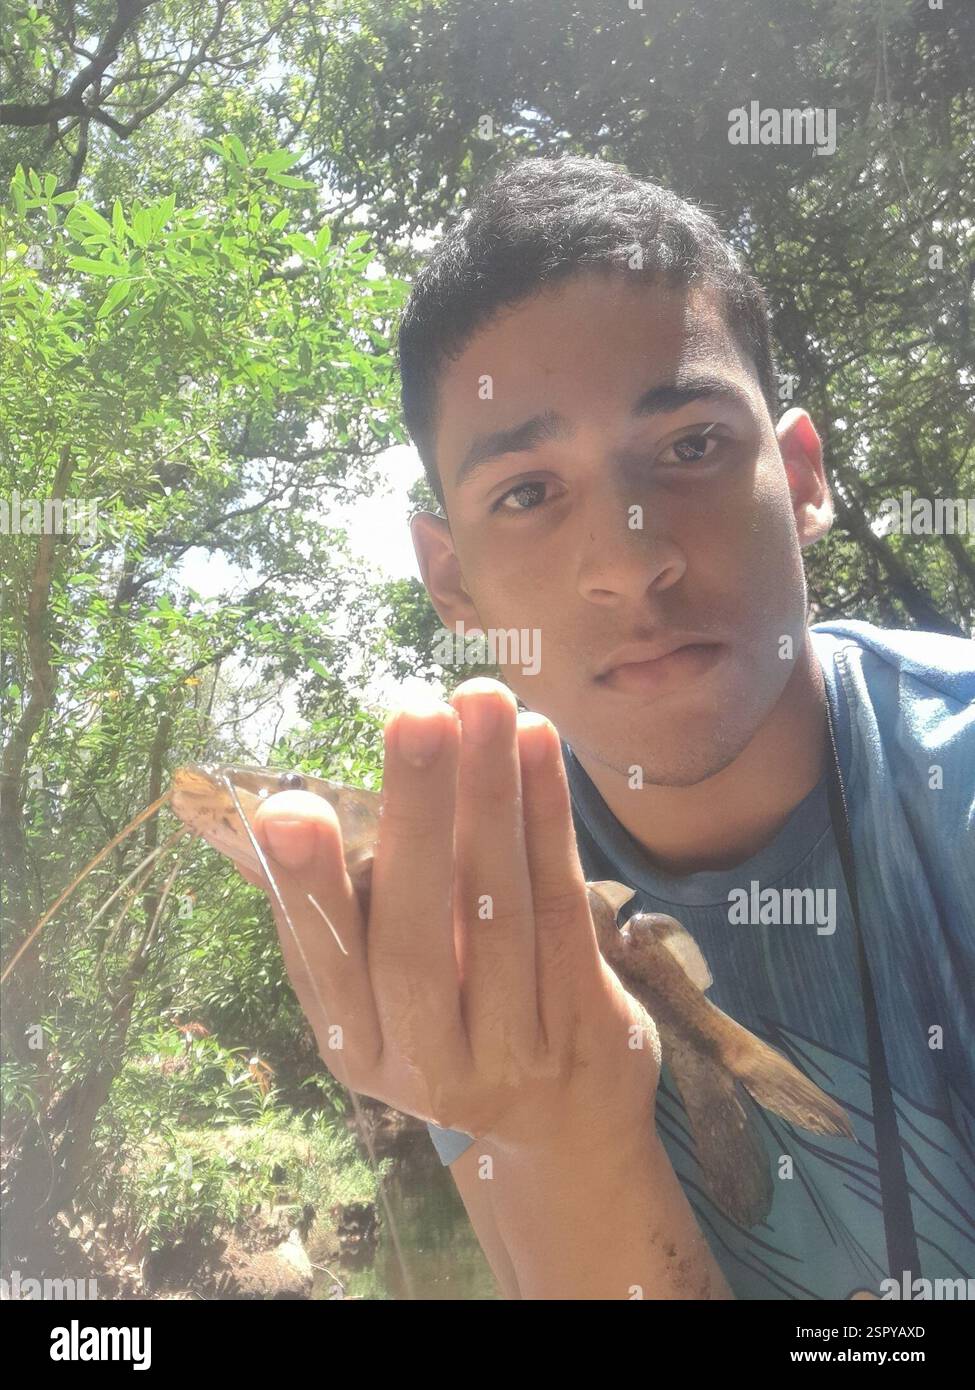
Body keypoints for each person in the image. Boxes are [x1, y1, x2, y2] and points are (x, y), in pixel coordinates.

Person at [245, 155, 974, 1299]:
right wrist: (562, 1137)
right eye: (528, 493)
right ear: (453, 583)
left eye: (689, 446)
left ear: (802, 474)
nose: (632, 563)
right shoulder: (470, 914)